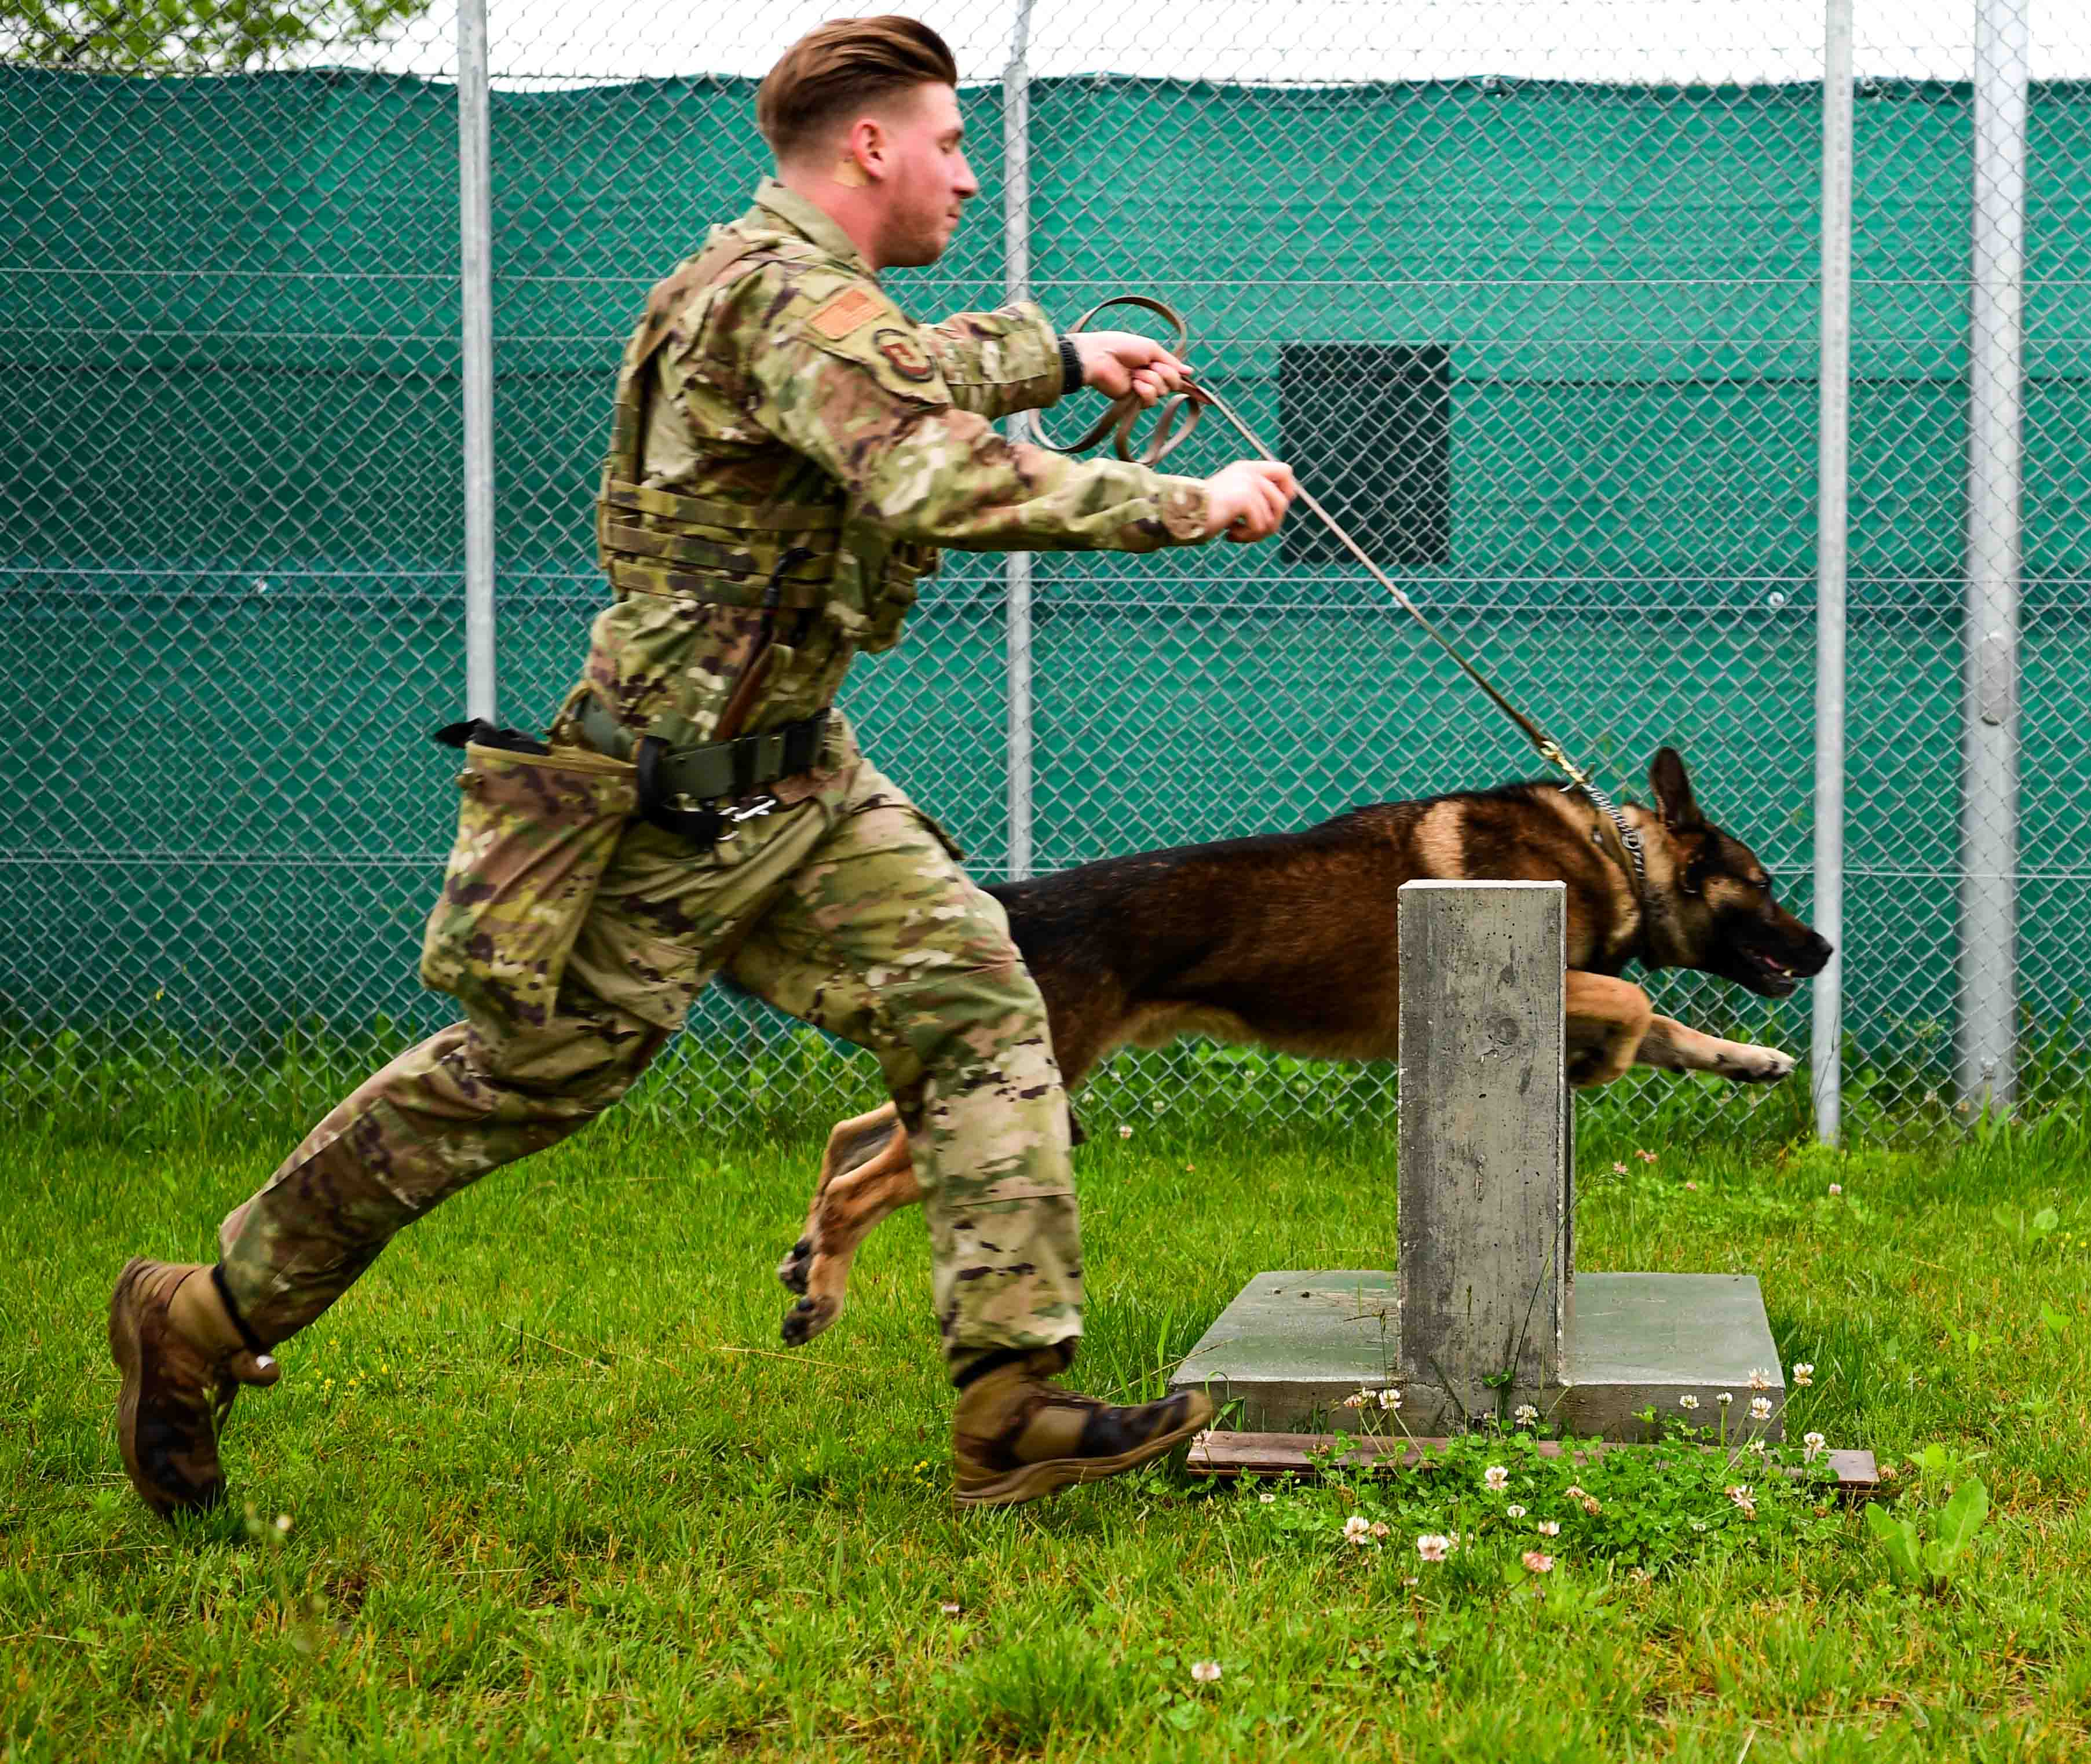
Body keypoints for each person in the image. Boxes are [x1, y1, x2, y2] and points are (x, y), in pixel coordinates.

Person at [107, 14, 1297, 1518]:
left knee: (982, 1000)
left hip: (801, 783)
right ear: (871, 146)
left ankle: (1010, 1405)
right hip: (660, 804)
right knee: (515, 1085)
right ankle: (196, 1318)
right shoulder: (784, 305)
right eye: (950, 145)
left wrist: (1062, 351)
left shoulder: (792, 297)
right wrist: (1191, 501)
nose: (971, 181)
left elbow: (900, 371)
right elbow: (926, 462)